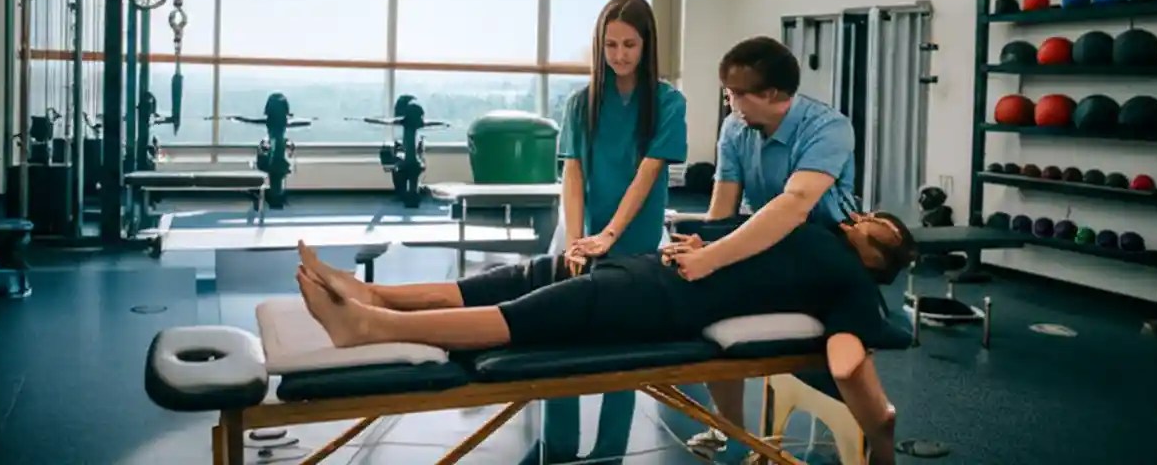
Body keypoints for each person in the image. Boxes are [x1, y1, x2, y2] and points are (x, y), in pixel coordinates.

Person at [294, 207, 913, 465]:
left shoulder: (851, 286)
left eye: (876, 229)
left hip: (651, 301)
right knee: (509, 279)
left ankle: (373, 326)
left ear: (880, 260)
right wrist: (705, 243)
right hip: (642, 268)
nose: (861, 220)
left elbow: (847, 361)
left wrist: (881, 435)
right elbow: (729, 233)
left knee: (527, 318)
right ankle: (373, 294)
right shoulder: (808, 227)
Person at [675, 35, 860, 461]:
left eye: (737, 93)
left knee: (833, 363)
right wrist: (702, 245)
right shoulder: (735, 128)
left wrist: (710, 259)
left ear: (772, 94)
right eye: (727, 91)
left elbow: (795, 206)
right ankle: (728, 428)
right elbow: (722, 209)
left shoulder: (829, 127)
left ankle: (852, 436)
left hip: (825, 253)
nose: (729, 101)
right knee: (706, 295)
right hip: (766, 244)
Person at [542, 0, 687, 463]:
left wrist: (611, 235)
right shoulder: (581, 102)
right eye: (610, 46)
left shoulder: (668, 102)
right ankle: (559, 450)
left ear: (647, 46)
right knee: (561, 336)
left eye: (629, 45)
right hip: (582, 232)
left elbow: (646, 175)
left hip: (637, 238)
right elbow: (574, 173)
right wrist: (578, 238)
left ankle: (609, 456)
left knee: (621, 347)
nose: (620, 55)